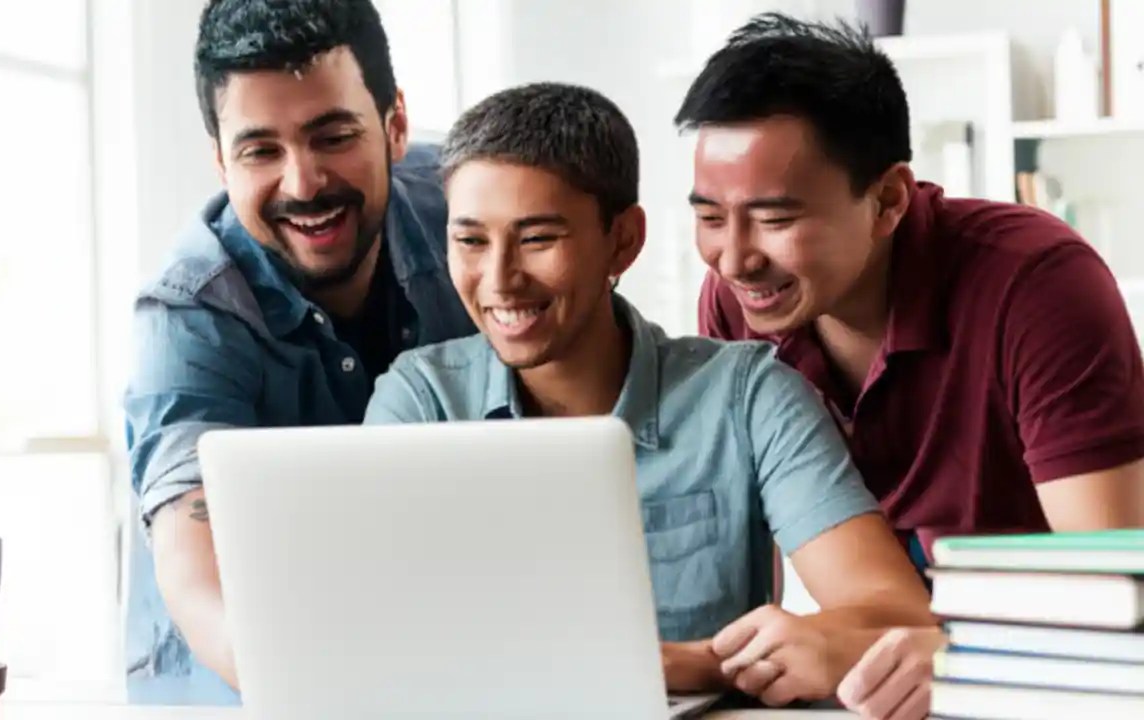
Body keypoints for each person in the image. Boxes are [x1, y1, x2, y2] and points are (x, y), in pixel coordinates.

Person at [364, 81, 935, 707]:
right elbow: (372, 635)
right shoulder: (419, 401)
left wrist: (714, 662)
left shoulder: (747, 396)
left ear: (624, 240)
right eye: (471, 241)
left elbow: (897, 618)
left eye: (537, 239)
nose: (499, 280)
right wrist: (699, 663)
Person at [674, 13, 1144, 717]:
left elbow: (1119, 601)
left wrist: (958, 655)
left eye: (774, 220)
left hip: (1045, 685)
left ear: (889, 199)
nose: (735, 259)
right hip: (880, 691)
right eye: (711, 218)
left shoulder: (1038, 284)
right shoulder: (739, 306)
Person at [122, 0, 475, 704]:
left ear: (395, 125)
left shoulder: (468, 213)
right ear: (221, 161)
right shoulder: (188, 311)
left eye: (333, 136)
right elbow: (194, 569)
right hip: (239, 686)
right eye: (260, 151)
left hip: (438, 658)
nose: (304, 183)